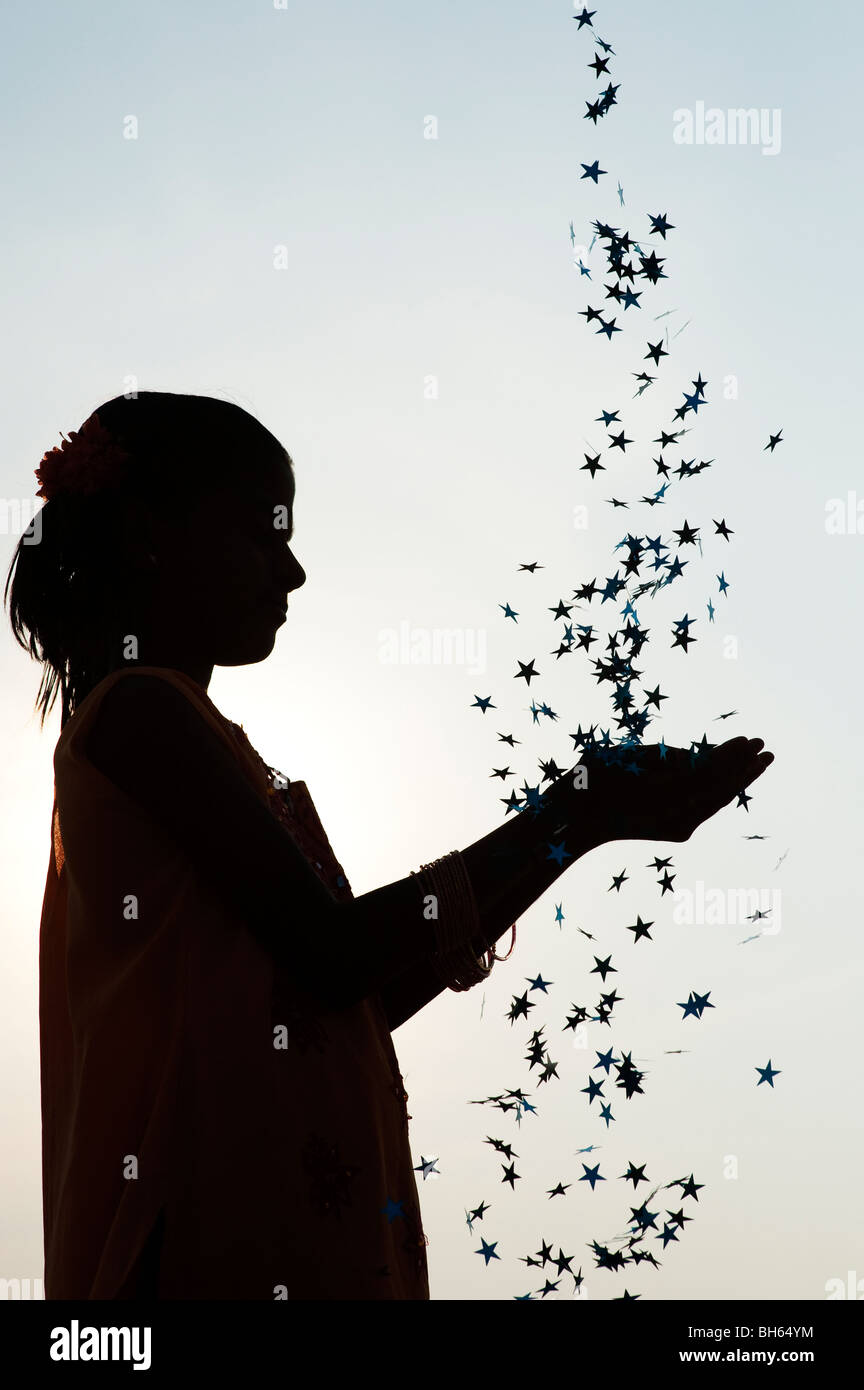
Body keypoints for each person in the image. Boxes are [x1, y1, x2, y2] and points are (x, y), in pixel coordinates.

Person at [5, 391, 773, 1299]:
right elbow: (334, 957)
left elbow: (344, 1000)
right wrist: (568, 808)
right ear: (147, 532)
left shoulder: (202, 737)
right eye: (263, 533)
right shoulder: (141, 714)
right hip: (214, 1241)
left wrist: (581, 828)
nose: (292, 573)